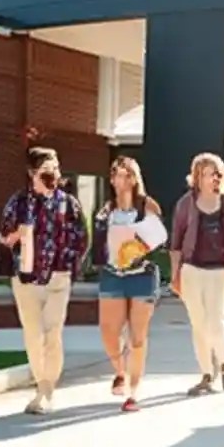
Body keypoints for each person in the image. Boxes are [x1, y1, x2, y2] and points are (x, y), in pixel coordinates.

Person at [0, 147, 89, 415]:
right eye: (46, 169)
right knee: (33, 336)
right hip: (26, 278)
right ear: (32, 173)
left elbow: (81, 238)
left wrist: (68, 264)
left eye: (56, 168)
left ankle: (47, 390)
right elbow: (3, 236)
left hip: (58, 278)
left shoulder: (68, 203)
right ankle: (40, 384)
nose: (53, 174)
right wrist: (12, 238)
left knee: (52, 333)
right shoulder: (18, 202)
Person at [91, 156, 167, 412]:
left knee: (137, 337)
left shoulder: (147, 206)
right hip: (113, 274)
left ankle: (134, 393)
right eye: (115, 174)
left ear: (135, 179)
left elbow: (159, 240)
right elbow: (98, 246)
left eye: (125, 174)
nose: (119, 180)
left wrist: (137, 246)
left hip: (142, 275)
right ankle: (119, 370)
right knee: (108, 330)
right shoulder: (106, 211)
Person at [171, 153, 224, 396]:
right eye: (210, 173)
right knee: (198, 324)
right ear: (198, 176)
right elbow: (176, 243)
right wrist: (175, 275)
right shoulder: (185, 204)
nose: (215, 178)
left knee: (215, 322)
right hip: (191, 269)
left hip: (218, 271)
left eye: (218, 173)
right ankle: (206, 374)